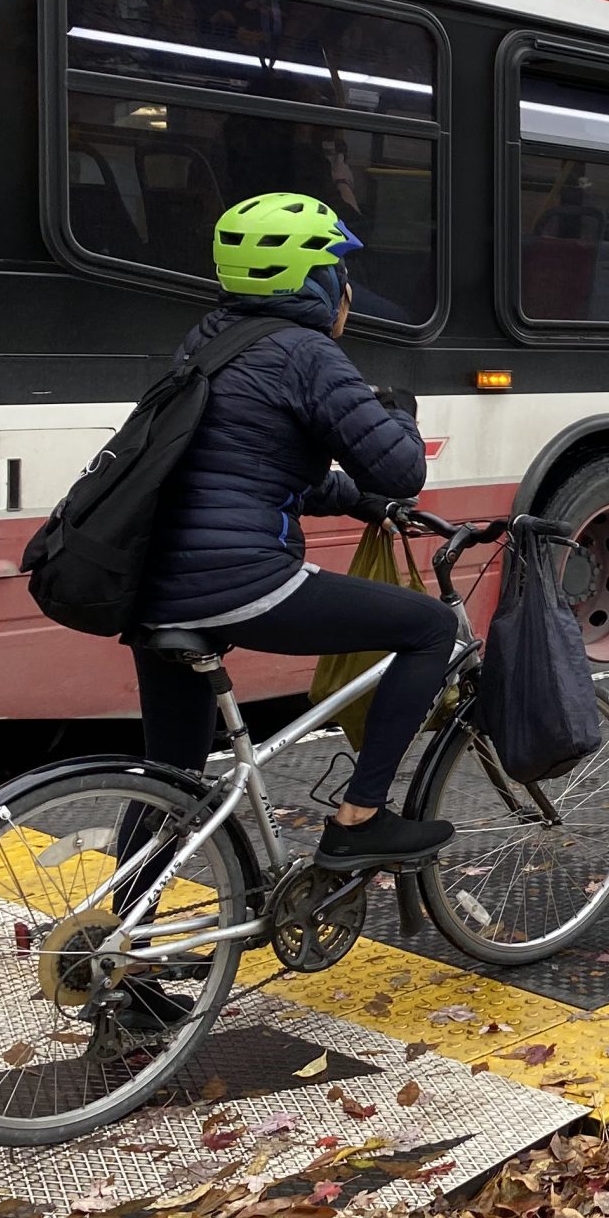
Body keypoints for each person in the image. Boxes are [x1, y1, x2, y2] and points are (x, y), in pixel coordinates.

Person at [134, 193, 457, 872]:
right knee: (430, 628)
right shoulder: (306, 353)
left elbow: (253, 467)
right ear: (315, 281)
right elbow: (401, 470)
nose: (347, 286)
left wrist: (356, 503)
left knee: (173, 777)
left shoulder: (209, 340)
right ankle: (362, 819)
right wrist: (397, 410)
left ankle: (120, 944)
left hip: (155, 588)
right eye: (339, 269)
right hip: (239, 584)